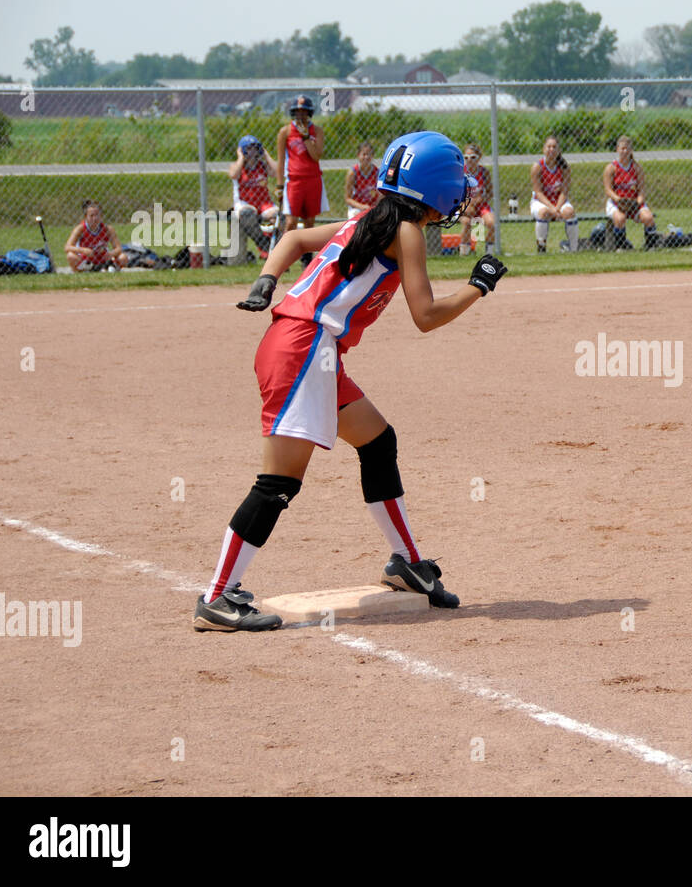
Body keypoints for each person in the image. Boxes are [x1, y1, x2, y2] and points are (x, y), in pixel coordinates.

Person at [193, 131, 507, 632]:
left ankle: (407, 564)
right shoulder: (404, 230)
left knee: (378, 442)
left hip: (307, 348)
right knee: (278, 484)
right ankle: (217, 596)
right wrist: (477, 286)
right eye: (455, 183)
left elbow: (293, 239)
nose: (462, 191)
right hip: (304, 350)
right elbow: (425, 315)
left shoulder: (371, 219)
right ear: (437, 190)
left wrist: (265, 281)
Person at [275, 95, 326, 267]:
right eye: (297, 112)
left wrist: (306, 138)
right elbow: (281, 161)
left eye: (304, 112)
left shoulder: (316, 131)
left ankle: (307, 259)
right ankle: (282, 257)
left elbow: (316, 156)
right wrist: (279, 184)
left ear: (310, 113)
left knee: (309, 222)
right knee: (291, 222)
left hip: (312, 179)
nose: (301, 115)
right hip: (294, 180)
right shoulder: (285, 132)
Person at [601, 135, 660, 250]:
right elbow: (608, 190)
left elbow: (642, 190)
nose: (625, 151)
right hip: (616, 202)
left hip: (634, 202)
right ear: (617, 149)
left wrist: (637, 203)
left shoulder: (637, 168)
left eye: (628, 148)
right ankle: (621, 246)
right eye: (622, 148)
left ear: (631, 150)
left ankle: (651, 245)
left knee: (648, 217)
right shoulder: (611, 168)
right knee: (620, 219)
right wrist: (619, 200)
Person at [228, 135, 278, 262]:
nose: (252, 152)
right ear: (243, 150)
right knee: (248, 214)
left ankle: (278, 251)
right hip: (245, 203)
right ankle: (266, 248)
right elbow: (233, 174)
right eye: (249, 149)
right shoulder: (238, 167)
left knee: (280, 217)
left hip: (264, 203)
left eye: (255, 148)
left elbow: (278, 173)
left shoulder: (262, 165)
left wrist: (266, 155)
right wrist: (240, 157)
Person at [529, 135, 579, 253]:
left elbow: (564, 192)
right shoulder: (537, 167)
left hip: (559, 201)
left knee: (569, 212)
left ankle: (573, 249)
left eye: (554, 147)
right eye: (548, 147)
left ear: (558, 150)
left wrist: (557, 208)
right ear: (543, 149)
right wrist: (553, 209)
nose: (551, 149)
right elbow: (538, 192)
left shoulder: (564, 167)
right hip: (540, 201)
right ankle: (541, 248)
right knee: (544, 212)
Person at [64, 199, 126, 272]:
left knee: (123, 257)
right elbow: (67, 247)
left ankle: (111, 268)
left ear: (101, 216)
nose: (95, 218)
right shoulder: (80, 229)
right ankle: (86, 270)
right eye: (91, 216)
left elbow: (119, 248)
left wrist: (111, 254)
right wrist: (83, 250)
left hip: (103, 259)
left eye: (97, 215)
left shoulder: (107, 229)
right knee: (70, 256)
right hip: (87, 260)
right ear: (86, 217)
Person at [458, 142, 495, 254]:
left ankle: (489, 251)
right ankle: (464, 251)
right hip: (464, 206)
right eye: (466, 157)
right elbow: (454, 195)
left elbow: (490, 193)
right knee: (467, 222)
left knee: (492, 223)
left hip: (481, 205)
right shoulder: (460, 173)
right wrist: (465, 206)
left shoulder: (484, 172)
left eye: (473, 157)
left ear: (479, 159)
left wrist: (481, 199)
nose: (469, 160)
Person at [343, 141, 381, 220]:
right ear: (358, 155)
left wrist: (374, 207)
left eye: (369, 154)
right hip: (357, 207)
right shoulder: (353, 173)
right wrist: (362, 207)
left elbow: (380, 195)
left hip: (372, 207)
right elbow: (347, 199)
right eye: (364, 154)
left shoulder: (377, 172)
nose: (366, 157)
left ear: (373, 156)